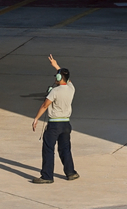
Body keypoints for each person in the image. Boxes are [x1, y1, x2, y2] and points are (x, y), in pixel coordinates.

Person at [31, 54, 79, 184]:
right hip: (66, 124)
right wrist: (56, 65)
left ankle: (47, 176)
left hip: (54, 126)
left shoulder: (55, 92)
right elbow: (67, 79)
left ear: (58, 78)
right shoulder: (71, 88)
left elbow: (44, 105)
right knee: (65, 149)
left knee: (48, 149)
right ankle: (70, 172)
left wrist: (36, 118)